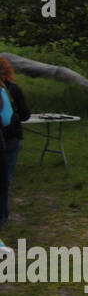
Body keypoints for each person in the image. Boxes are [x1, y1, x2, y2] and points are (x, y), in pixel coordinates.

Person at [1, 55, 32, 231]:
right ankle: (3, 216)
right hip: (10, 137)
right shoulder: (13, 89)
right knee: (5, 179)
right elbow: (25, 115)